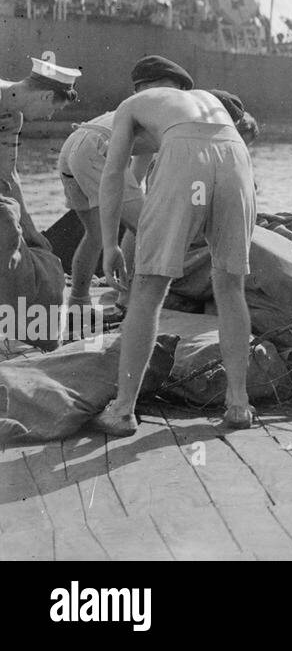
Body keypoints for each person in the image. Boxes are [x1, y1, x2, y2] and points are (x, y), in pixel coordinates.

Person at [90, 77, 256, 436]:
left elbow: (113, 175)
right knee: (230, 284)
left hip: (185, 152)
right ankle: (239, 403)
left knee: (148, 288)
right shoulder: (193, 100)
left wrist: (110, 246)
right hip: (236, 152)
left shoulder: (129, 108)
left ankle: (122, 410)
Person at [57, 56, 195, 318]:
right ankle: (130, 301)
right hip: (97, 148)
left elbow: (135, 181)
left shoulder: (132, 111)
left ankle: (78, 300)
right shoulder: (162, 114)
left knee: (97, 233)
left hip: (74, 145)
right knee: (150, 230)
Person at [0, 56, 81, 254]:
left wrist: (30, 231)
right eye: (53, 109)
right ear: (45, 96)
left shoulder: (12, 118)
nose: (49, 117)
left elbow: (8, 175)